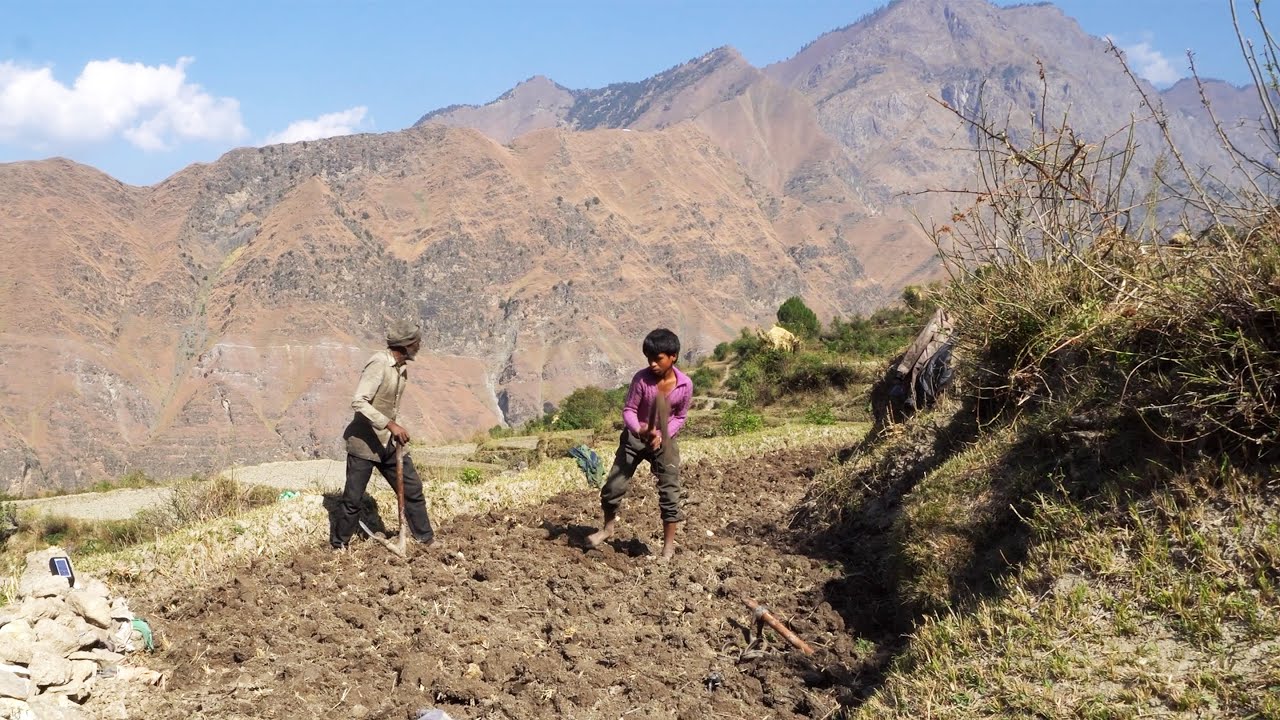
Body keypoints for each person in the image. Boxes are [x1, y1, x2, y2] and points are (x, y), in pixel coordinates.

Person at [587, 328, 693, 561]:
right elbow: (629, 410)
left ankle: (667, 547)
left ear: (673, 356)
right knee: (612, 489)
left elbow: (680, 416)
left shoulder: (684, 385)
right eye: (649, 359)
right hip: (634, 440)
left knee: (670, 493)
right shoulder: (641, 380)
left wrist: (663, 434)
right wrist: (639, 429)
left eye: (658, 359)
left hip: (663, 442)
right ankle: (608, 528)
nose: (652, 364)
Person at [331, 319, 436, 550]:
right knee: (353, 499)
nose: (419, 346)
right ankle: (339, 545)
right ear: (406, 345)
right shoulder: (378, 364)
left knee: (413, 490)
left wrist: (393, 429)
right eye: (416, 343)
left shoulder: (401, 369)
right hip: (364, 444)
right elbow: (359, 401)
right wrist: (390, 424)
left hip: (388, 443)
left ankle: (425, 539)